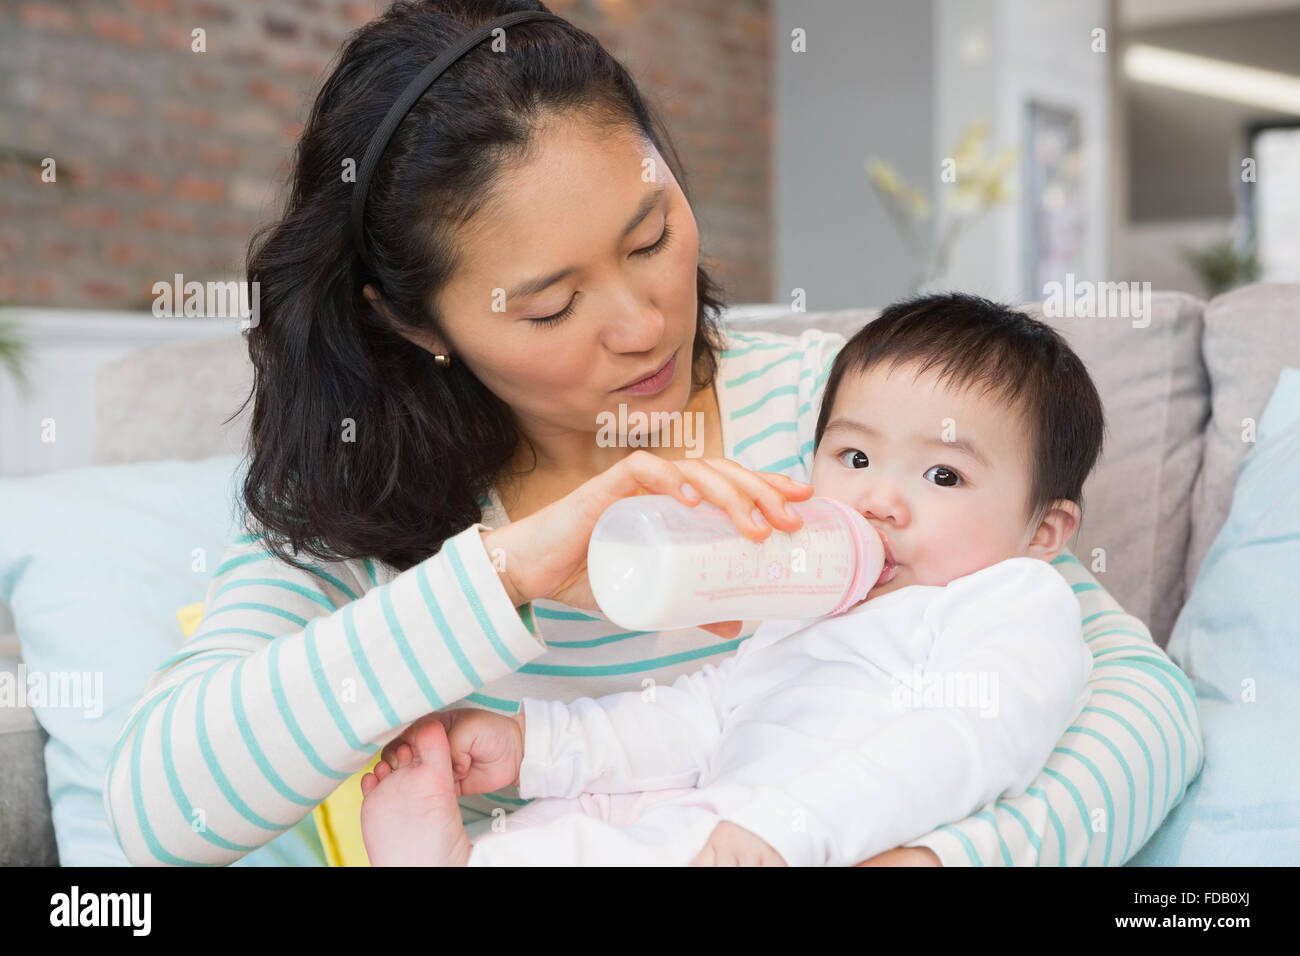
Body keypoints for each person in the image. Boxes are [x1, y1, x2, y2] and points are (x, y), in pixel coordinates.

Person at [102, 0, 1202, 867]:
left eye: (650, 235)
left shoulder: (847, 433)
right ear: (413, 320)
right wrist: (513, 569)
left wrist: (927, 859)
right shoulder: (367, 499)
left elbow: (1137, 704)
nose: (640, 325)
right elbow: (161, 809)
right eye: (547, 305)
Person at [356, 293, 1104, 867]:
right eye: (854, 458)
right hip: (721, 810)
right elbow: (702, 715)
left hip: (823, 841)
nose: (879, 500)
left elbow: (962, 742)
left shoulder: (1013, 602)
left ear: (1043, 533)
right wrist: (535, 745)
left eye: (943, 474)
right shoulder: (816, 594)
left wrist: (788, 828)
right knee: (582, 823)